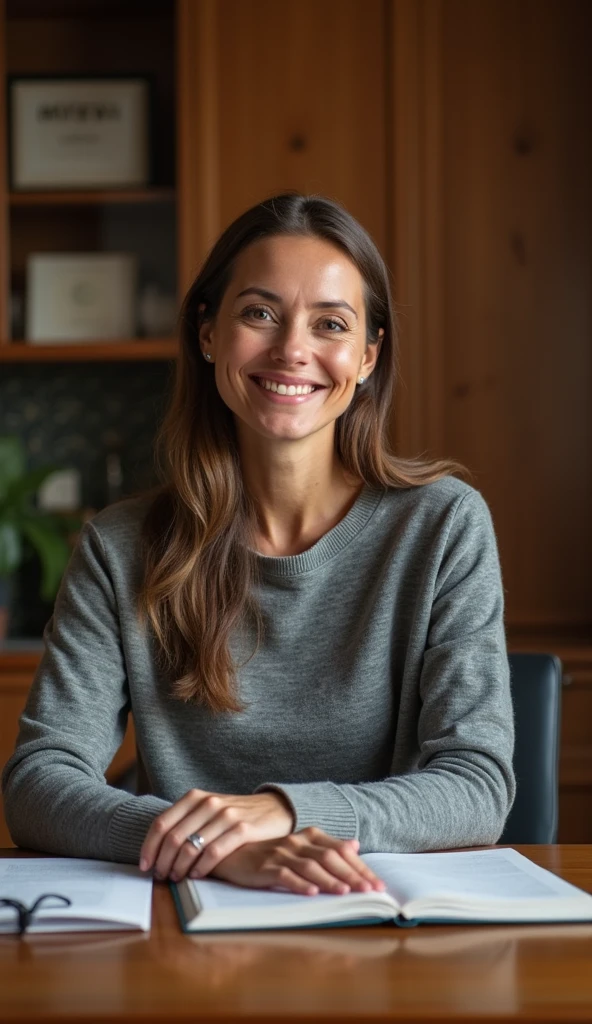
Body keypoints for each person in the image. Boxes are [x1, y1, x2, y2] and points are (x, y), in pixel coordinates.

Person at [2, 193, 515, 899]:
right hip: (181, 933)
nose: (292, 349)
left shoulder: (442, 526)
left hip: (376, 916)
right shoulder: (120, 547)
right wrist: (212, 851)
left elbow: (477, 785)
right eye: (259, 313)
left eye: (330, 324)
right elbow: (38, 782)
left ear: (367, 357)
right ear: (209, 333)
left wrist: (281, 813)